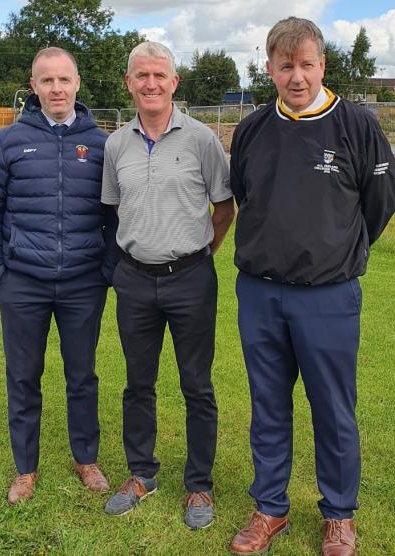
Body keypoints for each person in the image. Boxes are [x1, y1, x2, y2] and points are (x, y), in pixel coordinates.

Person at [228, 17, 395, 556]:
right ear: (270, 69)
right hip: (260, 294)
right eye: (285, 66)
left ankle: (339, 514)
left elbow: (379, 205)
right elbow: (245, 197)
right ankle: (269, 508)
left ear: (323, 65)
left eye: (306, 65)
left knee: (332, 408)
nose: (296, 76)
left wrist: (334, 250)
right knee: (268, 404)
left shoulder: (356, 126)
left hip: (328, 297)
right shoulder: (252, 129)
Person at [0, 47, 118, 505]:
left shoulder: (102, 144)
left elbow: (116, 215)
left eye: (64, 80)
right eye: (46, 81)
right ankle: (25, 469)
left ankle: (86, 459)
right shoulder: (7, 141)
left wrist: (106, 268)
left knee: (82, 376)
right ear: (33, 87)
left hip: (82, 282)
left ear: (78, 83)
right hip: (23, 282)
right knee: (23, 376)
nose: (57, 89)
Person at [100, 41, 234, 530]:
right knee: (138, 384)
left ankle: (198, 485)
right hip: (134, 280)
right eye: (141, 75)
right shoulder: (116, 145)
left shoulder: (201, 139)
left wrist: (200, 257)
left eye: (160, 75)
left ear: (174, 82)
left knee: (196, 386)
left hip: (192, 279)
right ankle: (141, 474)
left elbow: (224, 208)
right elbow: (113, 209)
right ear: (129, 83)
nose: (151, 84)